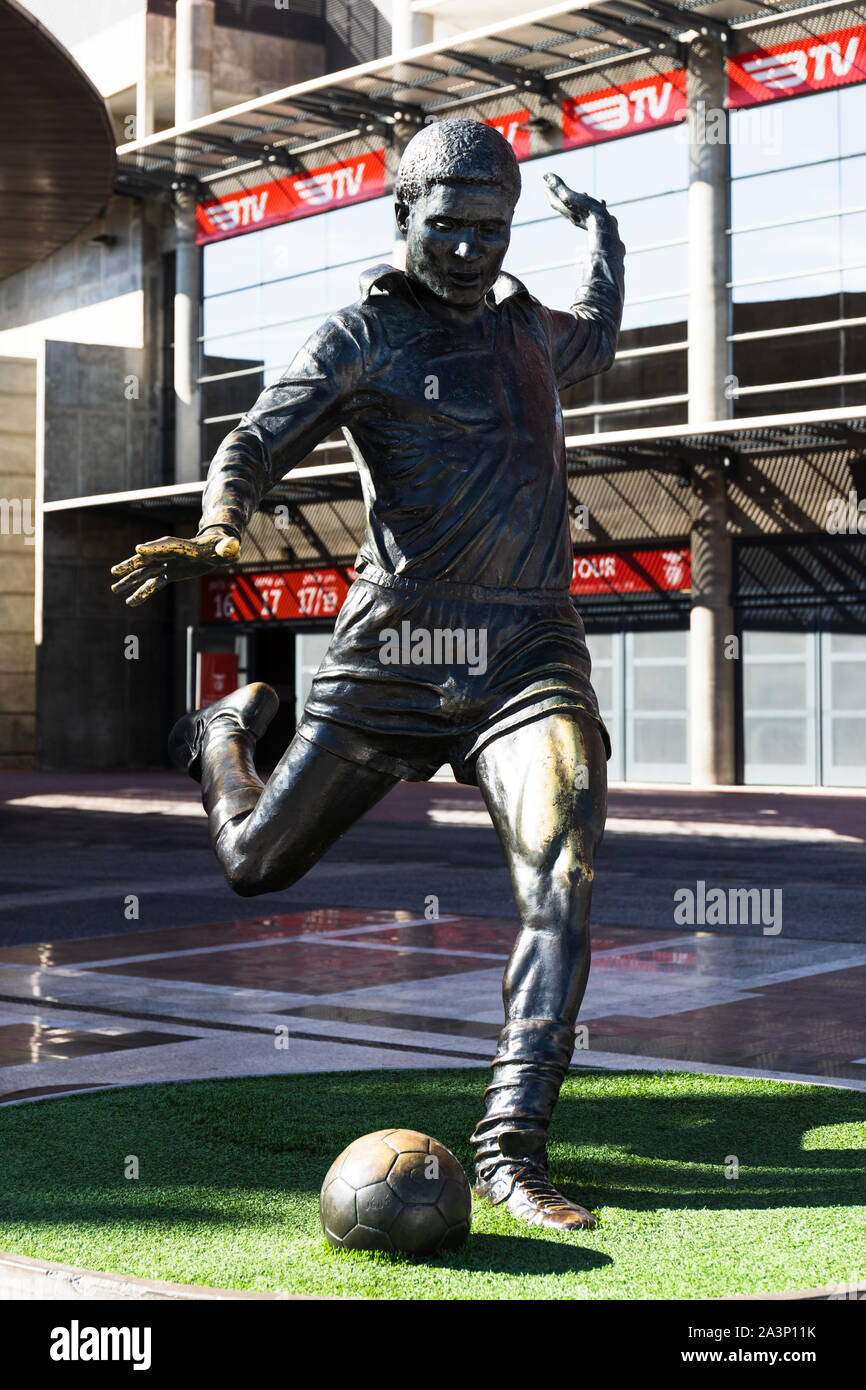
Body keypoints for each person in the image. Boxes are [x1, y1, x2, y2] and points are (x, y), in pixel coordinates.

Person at [111, 118, 625, 1232]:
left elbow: (600, 331)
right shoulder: (362, 333)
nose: (466, 250)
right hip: (395, 647)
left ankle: (510, 1146)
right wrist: (218, 525)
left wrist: (607, 236)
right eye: (444, 227)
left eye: (487, 230)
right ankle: (220, 739)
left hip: (526, 650)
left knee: (563, 872)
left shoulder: (530, 328)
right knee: (254, 863)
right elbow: (254, 439)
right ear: (402, 217)